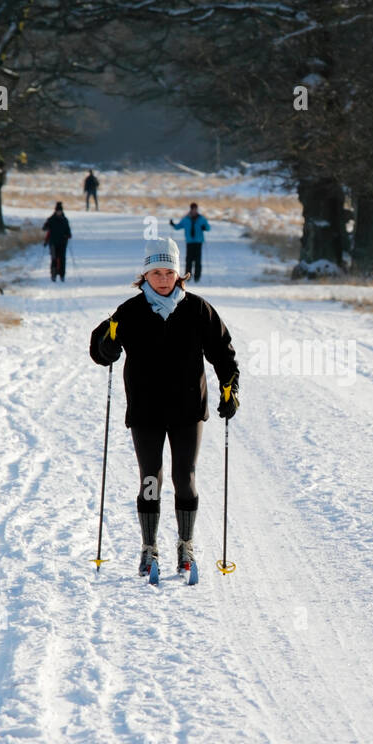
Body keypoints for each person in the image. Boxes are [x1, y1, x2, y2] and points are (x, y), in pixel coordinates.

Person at [89, 238, 240, 579]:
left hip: (188, 409)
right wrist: (108, 340)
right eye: (155, 272)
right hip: (146, 410)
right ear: (144, 275)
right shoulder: (128, 312)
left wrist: (230, 388)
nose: (162, 278)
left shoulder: (198, 310)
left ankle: (186, 545)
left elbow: (223, 352)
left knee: (184, 478)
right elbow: (101, 355)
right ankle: (149, 547)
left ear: (179, 274)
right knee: (150, 479)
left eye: (169, 271)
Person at [169, 202, 210, 283]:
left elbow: (208, 228)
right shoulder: (186, 219)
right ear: (191, 209)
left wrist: (205, 227)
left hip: (198, 242)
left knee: (198, 260)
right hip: (190, 242)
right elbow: (178, 227)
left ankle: (197, 277)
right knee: (189, 260)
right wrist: (173, 224)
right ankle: (188, 276)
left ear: (197, 209)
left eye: (195, 209)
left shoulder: (202, 219)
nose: (194, 210)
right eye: (193, 209)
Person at [42, 202, 72, 282]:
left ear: (62, 211)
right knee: (54, 258)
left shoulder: (65, 220)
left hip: (62, 243)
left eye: (60, 211)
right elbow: (44, 228)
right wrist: (46, 226)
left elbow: (68, 232)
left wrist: (68, 235)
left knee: (62, 259)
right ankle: (53, 275)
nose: (59, 212)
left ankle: (62, 275)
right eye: (58, 211)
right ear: (55, 211)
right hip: (53, 242)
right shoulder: (51, 220)